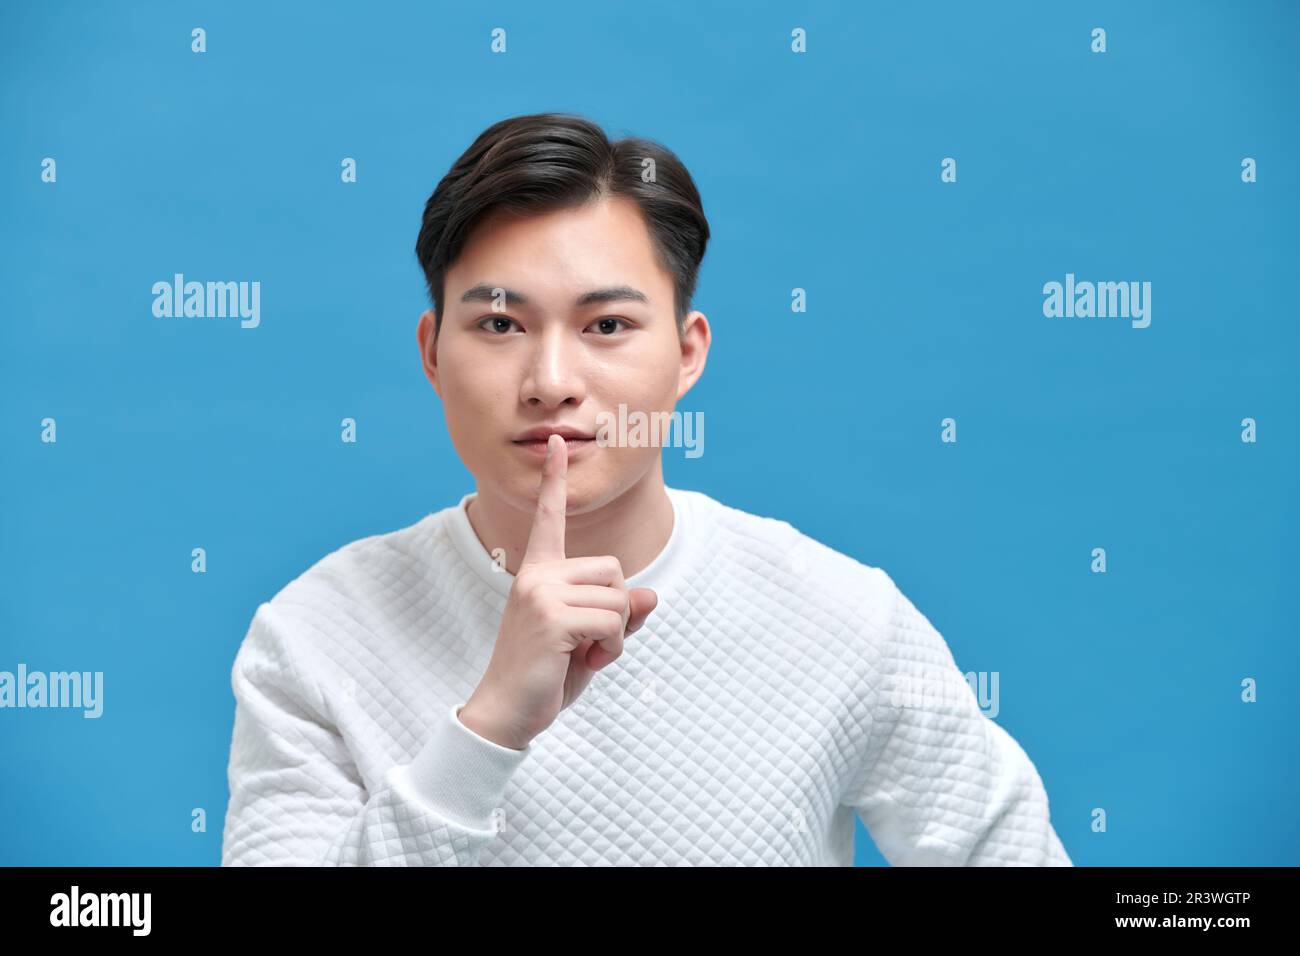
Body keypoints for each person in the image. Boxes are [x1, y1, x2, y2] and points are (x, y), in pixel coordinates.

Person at [219, 112, 1072, 866]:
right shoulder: (316, 636)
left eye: (609, 326)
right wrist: (486, 730)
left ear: (688, 353)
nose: (551, 380)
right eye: (500, 325)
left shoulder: (841, 617)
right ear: (433, 352)